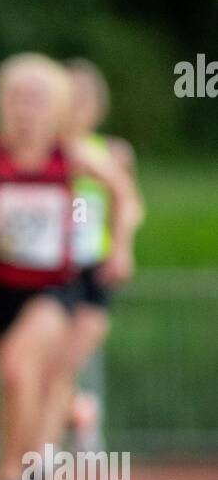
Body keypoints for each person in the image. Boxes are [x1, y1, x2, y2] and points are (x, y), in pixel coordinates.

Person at [0, 54, 138, 480]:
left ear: (57, 106)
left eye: (37, 99)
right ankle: (29, 476)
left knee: (15, 368)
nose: (26, 109)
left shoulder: (72, 154)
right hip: (2, 289)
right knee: (15, 386)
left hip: (56, 289)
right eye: (18, 98)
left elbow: (124, 194)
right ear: (3, 103)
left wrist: (121, 247)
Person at [44, 59, 144, 453]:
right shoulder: (46, 151)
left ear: (97, 106)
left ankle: (52, 442)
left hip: (93, 268)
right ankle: (74, 415)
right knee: (50, 365)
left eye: (84, 99)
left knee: (64, 364)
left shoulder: (114, 154)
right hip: (52, 269)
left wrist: (122, 250)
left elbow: (131, 205)